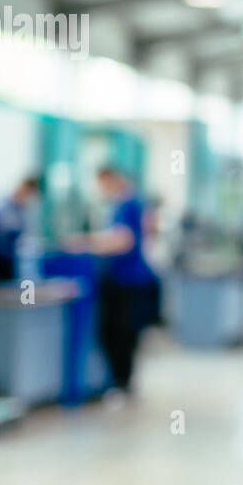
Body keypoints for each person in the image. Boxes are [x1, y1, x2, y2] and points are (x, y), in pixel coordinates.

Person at [66, 166, 160, 403]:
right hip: (131, 279)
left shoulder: (125, 203)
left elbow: (123, 241)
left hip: (125, 280)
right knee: (122, 333)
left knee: (118, 332)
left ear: (110, 180)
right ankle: (121, 381)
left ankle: (121, 383)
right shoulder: (135, 202)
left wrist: (85, 242)